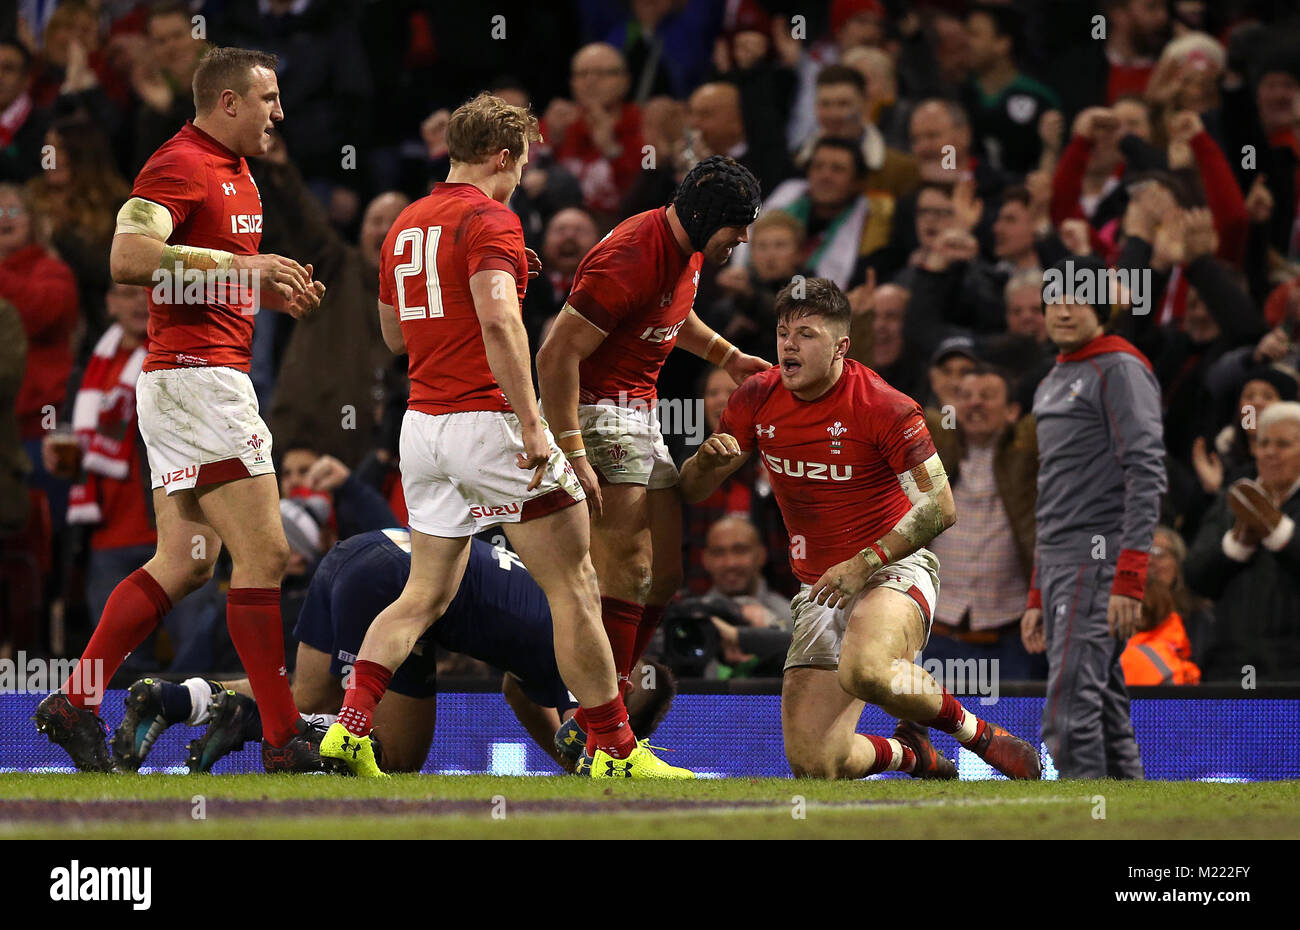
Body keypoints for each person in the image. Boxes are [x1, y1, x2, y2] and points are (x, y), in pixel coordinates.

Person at [328, 92, 689, 779]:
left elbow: (393, 336)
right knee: (575, 586)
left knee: (423, 596)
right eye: (521, 162)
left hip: (422, 428)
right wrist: (534, 426)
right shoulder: (491, 218)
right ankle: (617, 752)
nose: (522, 175)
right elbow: (500, 324)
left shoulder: (405, 221)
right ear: (502, 156)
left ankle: (349, 728)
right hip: (487, 424)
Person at [34, 46, 328, 773]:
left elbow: (202, 275)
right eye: (268, 98)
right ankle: (283, 734)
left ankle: (77, 697)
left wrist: (264, 290)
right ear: (227, 102)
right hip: (198, 383)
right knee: (264, 554)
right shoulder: (179, 162)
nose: (279, 113)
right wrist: (243, 269)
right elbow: (128, 259)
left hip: (185, 382)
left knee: (187, 561)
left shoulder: (238, 174)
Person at [680, 277, 1041, 780]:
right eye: (783, 332)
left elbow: (940, 507)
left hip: (892, 568)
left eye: (806, 333)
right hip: (822, 585)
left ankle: (979, 735)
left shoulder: (884, 405)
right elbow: (695, 490)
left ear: (840, 347)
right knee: (815, 764)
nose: (788, 344)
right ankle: (909, 753)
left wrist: (863, 562)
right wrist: (702, 463)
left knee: (866, 671)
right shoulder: (756, 397)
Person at [534, 154, 768, 746]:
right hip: (597, 412)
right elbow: (556, 355)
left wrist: (728, 357)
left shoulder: (681, 249)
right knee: (630, 568)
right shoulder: (630, 257)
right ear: (708, 215)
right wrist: (570, 448)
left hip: (640, 412)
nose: (742, 238)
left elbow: (670, 314)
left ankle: (598, 709)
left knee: (665, 574)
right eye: (737, 225)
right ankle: (596, 725)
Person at [112, 531, 677, 775]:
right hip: (398, 589)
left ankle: (177, 696)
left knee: (305, 696)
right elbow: (572, 737)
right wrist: (590, 760)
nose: (621, 677)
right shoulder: (584, 661)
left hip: (361, 553)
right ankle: (259, 726)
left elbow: (518, 690)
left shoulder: (573, 620)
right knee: (401, 755)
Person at [1020, 256, 1166, 779]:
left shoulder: (1121, 368)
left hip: (1097, 563)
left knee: (1067, 714)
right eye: (1055, 298)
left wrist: (1129, 575)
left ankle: (1085, 824)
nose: (1063, 310)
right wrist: (1038, 591)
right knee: (1100, 705)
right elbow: (1051, 494)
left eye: (1078, 297)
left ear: (1102, 307)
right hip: (1060, 564)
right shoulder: (1054, 378)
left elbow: (1147, 472)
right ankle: (1132, 819)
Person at [926, 364, 1045, 681]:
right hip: (936, 635)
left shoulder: (1029, 458)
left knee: (1011, 730)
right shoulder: (934, 452)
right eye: (965, 396)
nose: (975, 403)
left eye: (987, 396)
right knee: (926, 729)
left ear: (1012, 411)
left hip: (1010, 639)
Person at [1184, 402, 1300, 681]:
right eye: (1263, 443)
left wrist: (1276, 529)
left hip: (1292, 672)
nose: (1270, 452)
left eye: (1283, 444)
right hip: (1229, 667)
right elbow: (1195, 576)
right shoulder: (1231, 501)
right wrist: (1237, 544)